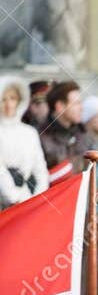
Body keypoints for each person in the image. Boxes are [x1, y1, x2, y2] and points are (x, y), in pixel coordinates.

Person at [0, 76, 49, 205]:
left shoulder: (29, 133)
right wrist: (13, 198)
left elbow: (40, 169)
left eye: (12, 98)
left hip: (26, 200)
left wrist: (38, 198)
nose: (8, 104)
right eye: (3, 99)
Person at [39, 81, 89, 177]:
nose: (81, 108)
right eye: (76, 104)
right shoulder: (40, 136)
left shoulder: (83, 133)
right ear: (60, 106)